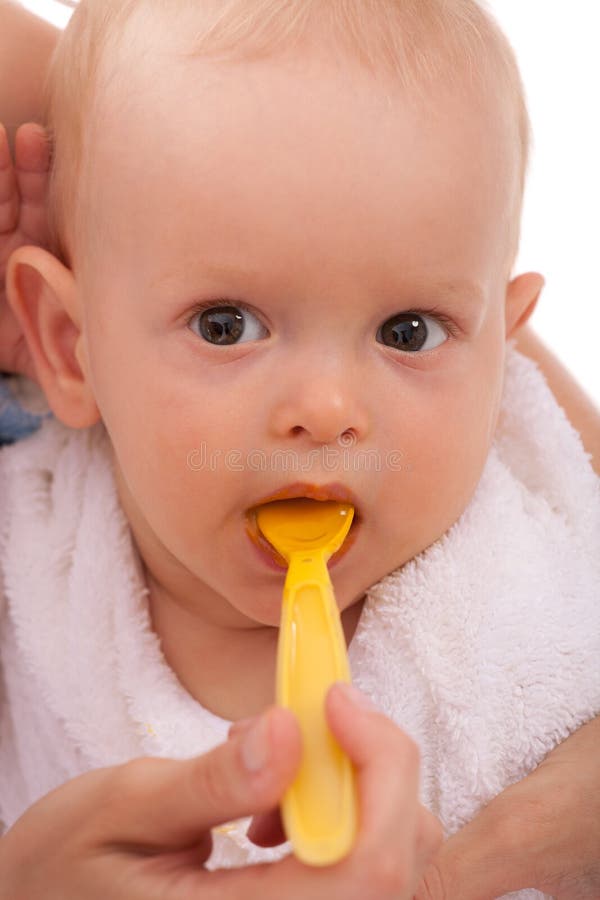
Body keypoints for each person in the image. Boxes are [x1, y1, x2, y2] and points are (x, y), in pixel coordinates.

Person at [0, 1, 599, 898]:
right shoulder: (34, 554)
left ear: (502, 354)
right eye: (225, 323)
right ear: (65, 343)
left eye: (408, 330)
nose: (327, 411)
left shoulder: (535, 600)